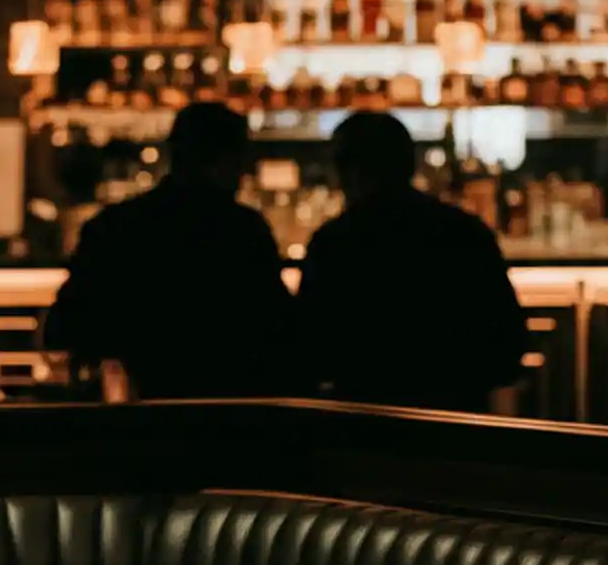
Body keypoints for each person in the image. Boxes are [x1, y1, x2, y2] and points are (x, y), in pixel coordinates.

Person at [45, 103, 295, 399]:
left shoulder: (116, 227)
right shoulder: (242, 230)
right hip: (231, 419)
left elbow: (63, 329)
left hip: (139, 420)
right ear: (231, 160)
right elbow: (281, 335)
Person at [297, 112, 527, 412]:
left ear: (346, 172)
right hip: (456, 422)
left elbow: (309, 350)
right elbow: (508, 345)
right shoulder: (464, 232)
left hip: (362, 425)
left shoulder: (335, 241)